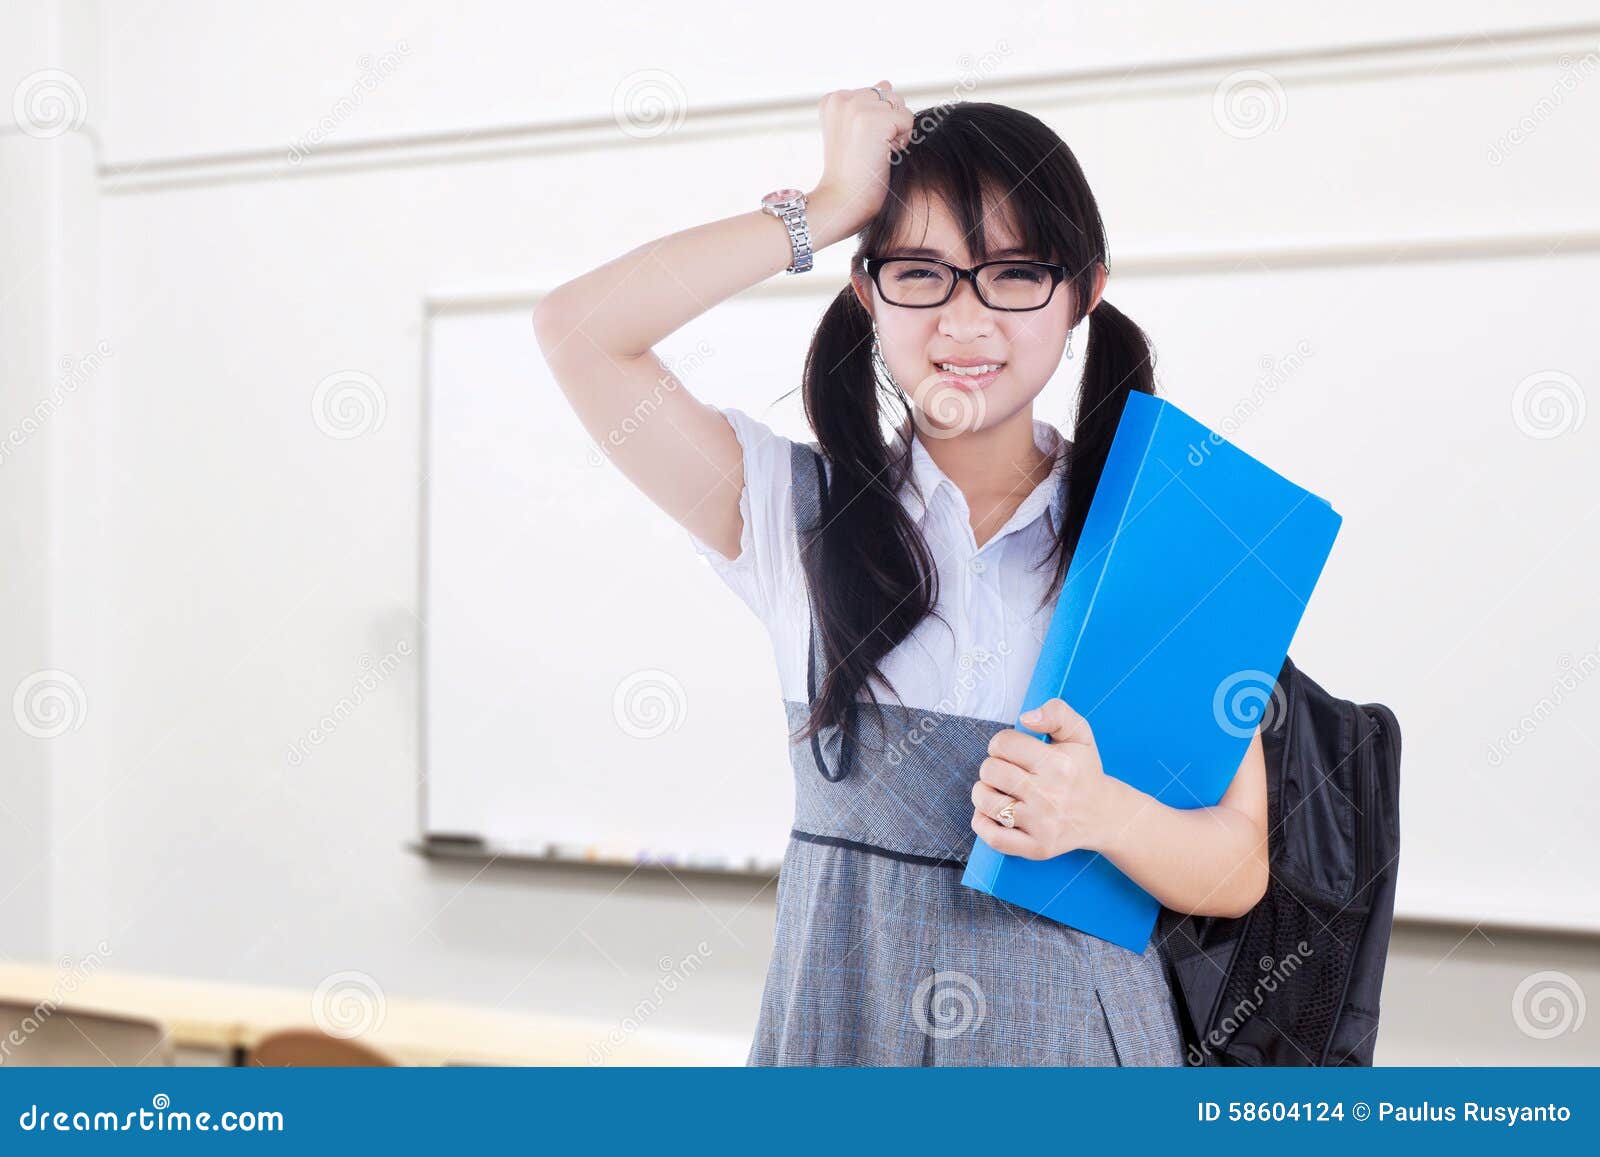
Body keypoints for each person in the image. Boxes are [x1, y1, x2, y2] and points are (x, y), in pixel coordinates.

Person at [534, 82, 1269, 1066]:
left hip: (1077, 1050)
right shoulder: (794, 512)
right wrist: (825, 207)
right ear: (866, 291)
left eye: (1014, 274)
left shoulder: (1161, 539)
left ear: (1085, 291)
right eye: (920, 272)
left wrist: (1100, 813)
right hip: (845, 1026)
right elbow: (580, 331)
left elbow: (1235, 862)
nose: (965, 321)